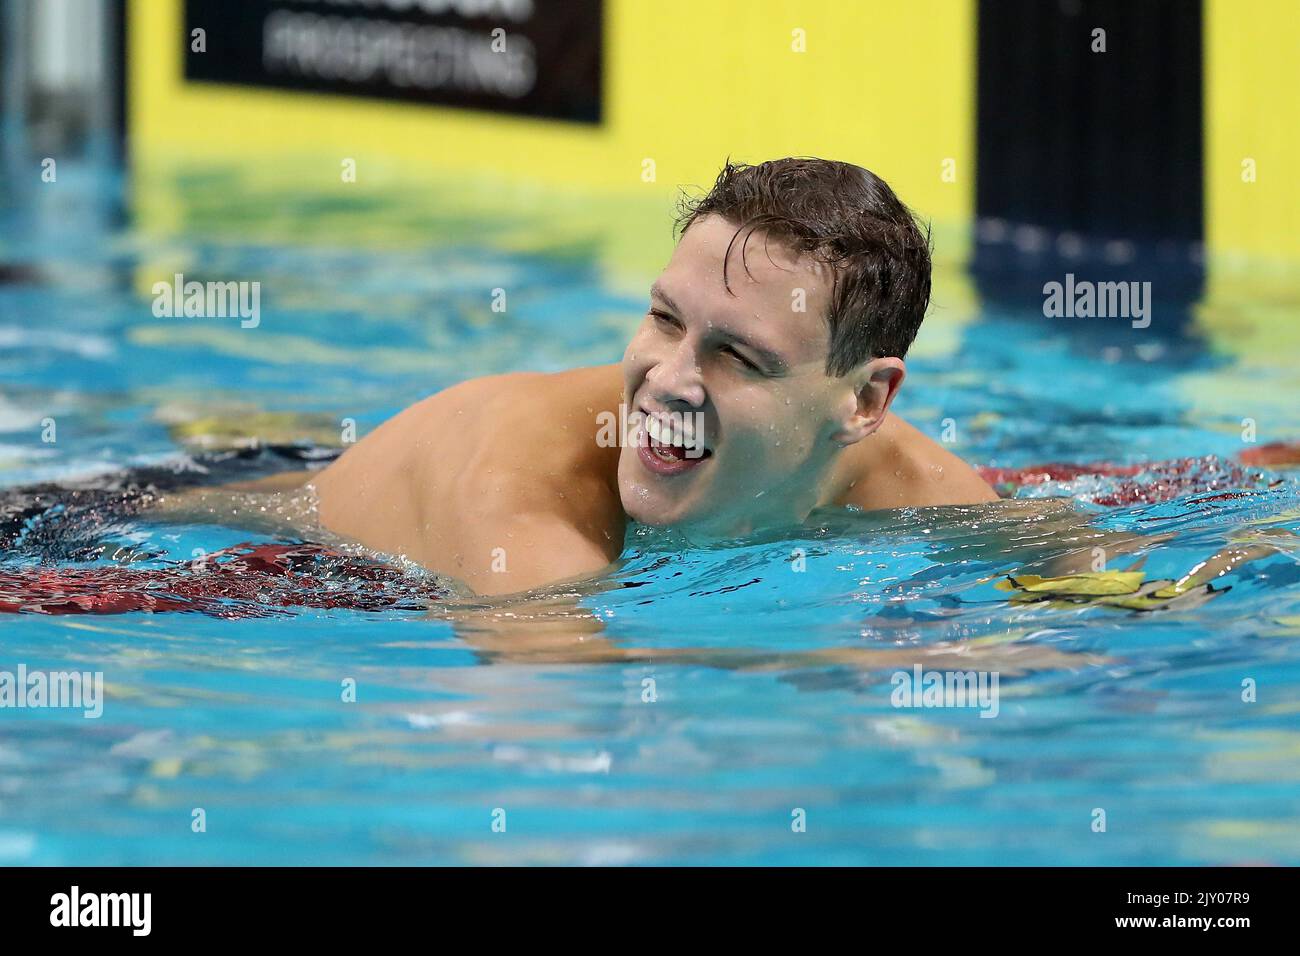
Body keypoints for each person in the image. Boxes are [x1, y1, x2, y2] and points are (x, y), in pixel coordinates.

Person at [310, 157, 998, 595]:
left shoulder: (900, 476)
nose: (668, 380)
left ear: (864, 402)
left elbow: (1074, 560)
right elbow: (560, 748)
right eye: (666, 319)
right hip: (278, 574)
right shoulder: (525, 501)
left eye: (737, 356)